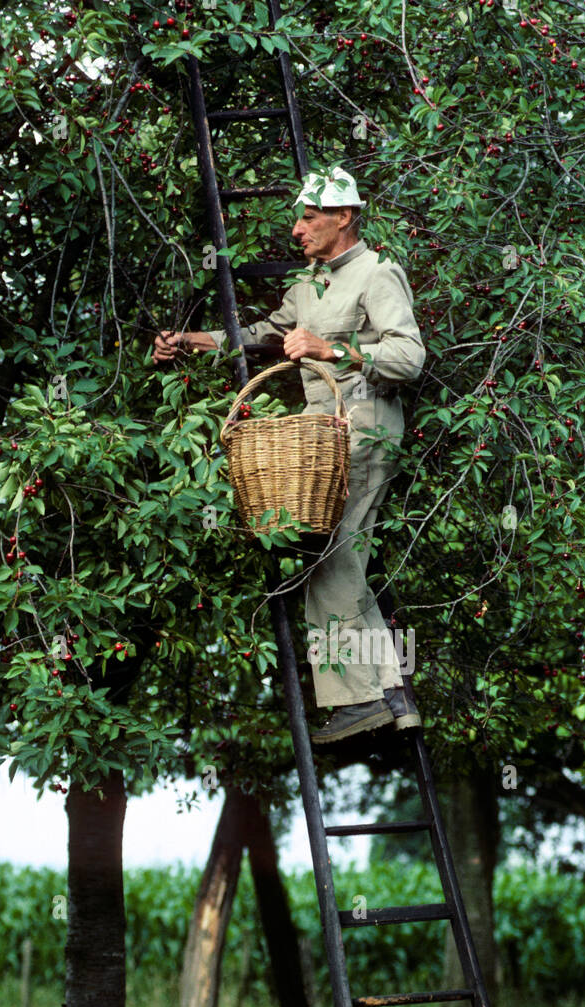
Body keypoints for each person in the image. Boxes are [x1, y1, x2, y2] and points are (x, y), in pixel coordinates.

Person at [153, 165, 425, 744]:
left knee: (331, 561)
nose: (297, 229)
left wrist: (335, 348)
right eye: (298, 217)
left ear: (344, 217)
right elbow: (262, 334)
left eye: (309, 217)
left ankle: (358, 700)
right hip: (321, 437)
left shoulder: (377, 273)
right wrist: (191, 343)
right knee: (343, 558)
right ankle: (392, 692)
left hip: (365, 429)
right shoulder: (311, 284)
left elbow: (409, 356)